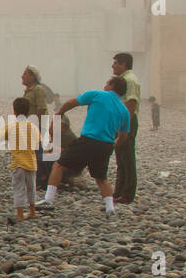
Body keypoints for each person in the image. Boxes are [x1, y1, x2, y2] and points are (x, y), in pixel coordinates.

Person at [40, 76, 129, 216]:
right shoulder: (124, 111)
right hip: (106, 145)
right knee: (101, 178)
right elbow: (123, 136)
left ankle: (48, 200)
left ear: (112, 85)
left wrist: (59, 113)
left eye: (107, 83)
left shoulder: (97, 94)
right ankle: (110, 208)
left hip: (88, 140)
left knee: (59, 165)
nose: (104, 85)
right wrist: (113, 145)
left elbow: (71, 103)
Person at [0, 96, 41, 221]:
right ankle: (32, 212)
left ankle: (19, 214)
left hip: (18, 163)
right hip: (32, 163)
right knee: (31, 188)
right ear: (28, 111)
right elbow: (39, 143)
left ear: (14, 111)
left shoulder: (11, 126)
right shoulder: (33, 127)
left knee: (19, 188)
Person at [111, 52, 140, 203]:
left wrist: (124, 126)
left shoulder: (130, 80)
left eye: (115, 63)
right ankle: (118, 192)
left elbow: (131, 104)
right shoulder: (123, 80)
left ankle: (127, 194)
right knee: (121, 158)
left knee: (127, 157)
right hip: (121, 122)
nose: (112, 66)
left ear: (123, 64)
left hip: (127, 122)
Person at [22, 65, 53, 189]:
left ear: (32, 76)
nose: (22, 76)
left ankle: (43, 178)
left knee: (37, 152)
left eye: (25, 74)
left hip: (37, 125)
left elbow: (42, 108)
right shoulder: (29, 90)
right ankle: (37, 178)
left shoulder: (38, 89)